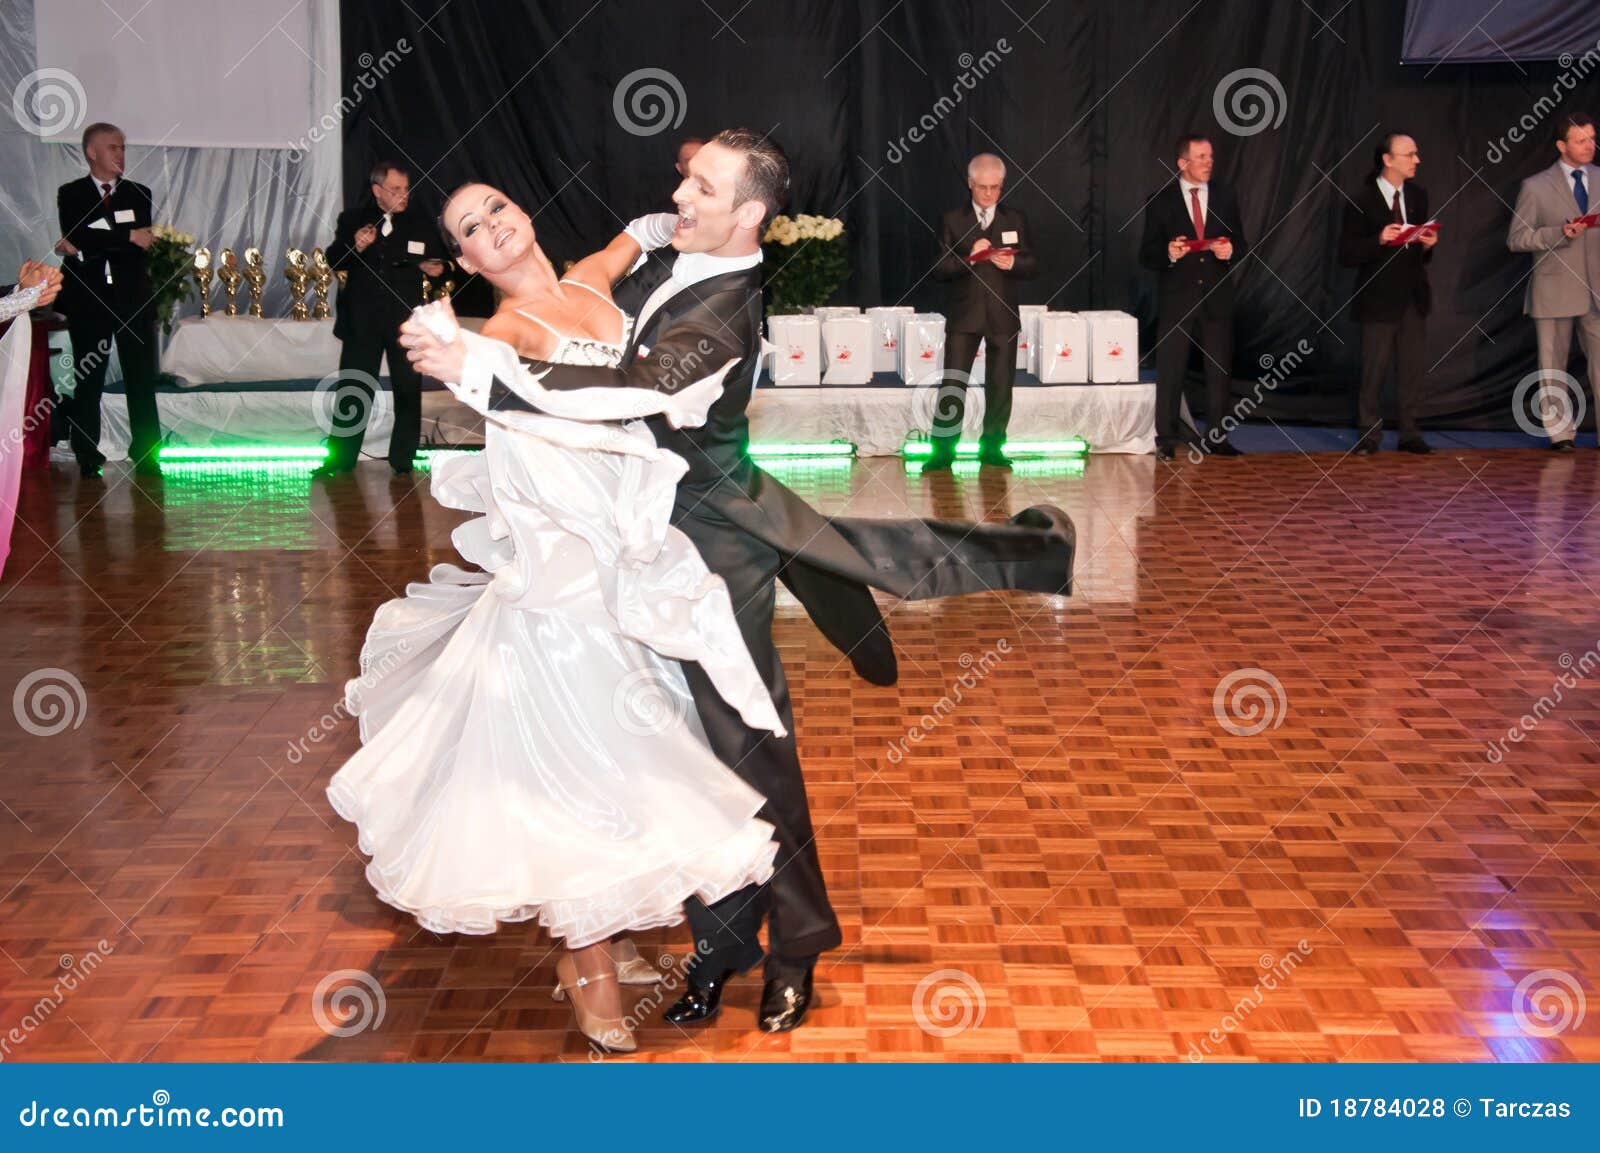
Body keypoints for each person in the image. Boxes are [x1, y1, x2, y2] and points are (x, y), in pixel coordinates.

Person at [403, 129, 1076, 1035]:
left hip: (712, 546)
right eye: (683, 180)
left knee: (750, 747)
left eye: (701, 188)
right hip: (634, 545)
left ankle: (794, 946)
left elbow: (620, 395)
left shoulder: (721, 314)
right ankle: (723, 946)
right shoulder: (674, 254)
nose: (680, 195)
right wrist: (651, 226)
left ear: (749, 215)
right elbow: (611, 261)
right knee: (697, 753)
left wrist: (479, 368)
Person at [327, 187, 784, 1055]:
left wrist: (669, 222)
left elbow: (629, 236)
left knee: (629, 750)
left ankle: (610, 939)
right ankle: (591, 977)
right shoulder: (503, 331)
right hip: (559, 575)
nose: (491, 225)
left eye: (496, 207)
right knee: (580, 765)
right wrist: (450, 350)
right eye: (470, 230)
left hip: (619, 550)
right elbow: (497, 384)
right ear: (464, 261)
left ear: (522, 216)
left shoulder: (587, 282)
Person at [313, 160, 451, 478]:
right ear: (377, 191)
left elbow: (442, 261)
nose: (404, 195)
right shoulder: (353, 220)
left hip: (406, 321)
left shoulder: (420, 222)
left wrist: (436, 268)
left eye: (406, 189)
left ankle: (403, 459)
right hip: (363, 322)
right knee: (355, 389)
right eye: (396, 189)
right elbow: (334, 258)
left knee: (407, 388)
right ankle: (341, 459)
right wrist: (354, 245)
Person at [53, 122, 162, 478]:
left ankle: (146, 450)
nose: (120, 154)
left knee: (140, 376)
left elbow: (132, 241)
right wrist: (125, 235)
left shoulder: (138, 193)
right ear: (92, 152)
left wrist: (100, 237)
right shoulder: (71, 193)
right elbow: (78, 233)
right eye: (113, 148)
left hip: (132, 298)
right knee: (89, 376)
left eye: (122, 148)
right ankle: (86, 451)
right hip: (89, 299)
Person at [1138, 134, 1248, 460]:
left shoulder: (1226, 196)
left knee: (1219, 369)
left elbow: (1240, 240)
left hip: (1216, 295)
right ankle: (1166, 438)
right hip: (1177, 297)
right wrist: (1169, 253)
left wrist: (1231, 251)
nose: (1208, 162)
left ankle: (1217, 437)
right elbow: (1146, 254)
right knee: (1171, 369)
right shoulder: (1160, 200)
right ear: (1182, 163)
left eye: (1210, 157)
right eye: (1201, 157)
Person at [926, 152, 1037, 471]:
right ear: (970, 183)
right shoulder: (952, 220)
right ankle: (943, 452)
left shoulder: (1016, 219)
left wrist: (1014, 263)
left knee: (1001, 385)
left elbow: (1032, 265)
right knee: (953, 383)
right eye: (983, 187)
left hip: (1003, 315)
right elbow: (939, 269)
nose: (989, 194)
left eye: (996, 188)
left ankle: (992, 449)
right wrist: (969, 259)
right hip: (965, 315)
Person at [1339, 131, 1438, 455]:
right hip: (1378, 297)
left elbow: (1420, 253)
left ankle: (1410, 432)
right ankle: (1369, 434)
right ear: (1388, 159)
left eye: (1417, 154)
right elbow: (1346, 253)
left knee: (1411, 369)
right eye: (1410, 154)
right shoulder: (1361, 199)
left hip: (1412, 296)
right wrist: (1378, 239)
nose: (1417, 160)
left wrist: (1427, 245)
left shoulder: (1418, 196)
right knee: (1374, 370)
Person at [1507, 112, 1600, 451]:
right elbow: (1517, 238)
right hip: (1554, 289)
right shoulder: (1535, 186)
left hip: (1596, 291)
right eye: (1581, 140)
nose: (1589, 146)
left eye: (1592, 138)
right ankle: (1561, 435)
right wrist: (1558, 233)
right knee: (1553, 368)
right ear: (1562, 146)